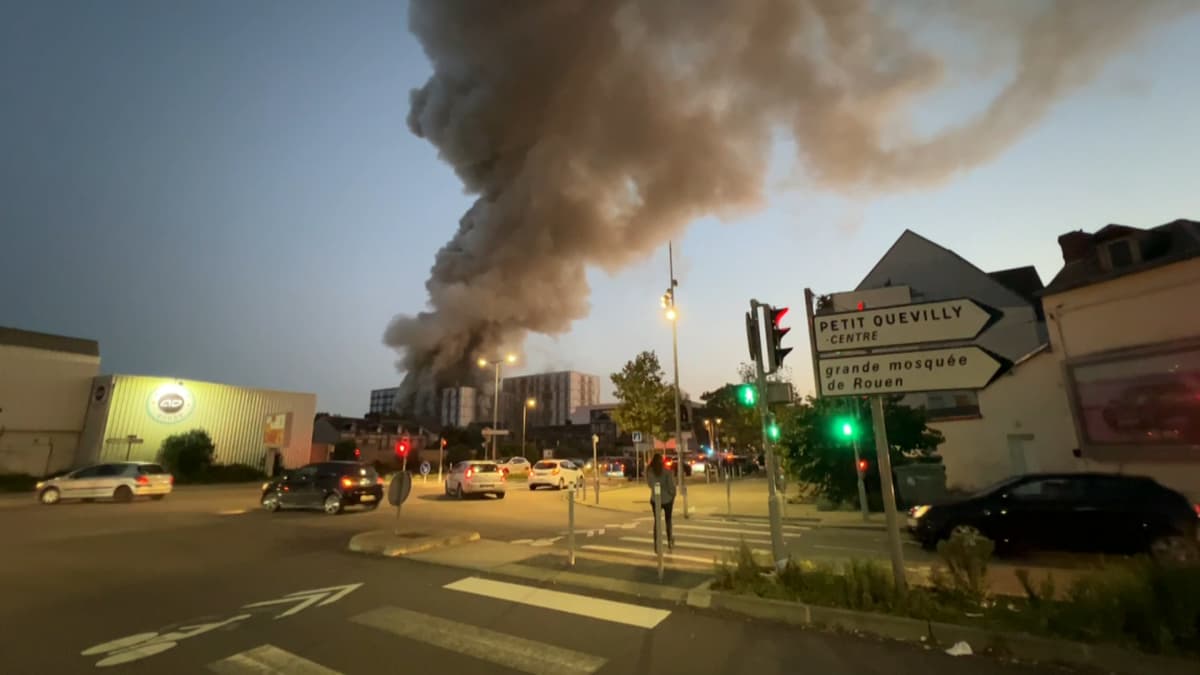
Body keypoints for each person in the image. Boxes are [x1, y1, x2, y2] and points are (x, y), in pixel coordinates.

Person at [646, 452, 676, 550]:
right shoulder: (667, 472)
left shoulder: (649, 472)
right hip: (667, 499)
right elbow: (671, 486)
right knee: (668, 520)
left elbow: (650, 485)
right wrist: (673, 494)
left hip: (655, 499)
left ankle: (656, 543)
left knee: (657, 521)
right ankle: (669, 541)